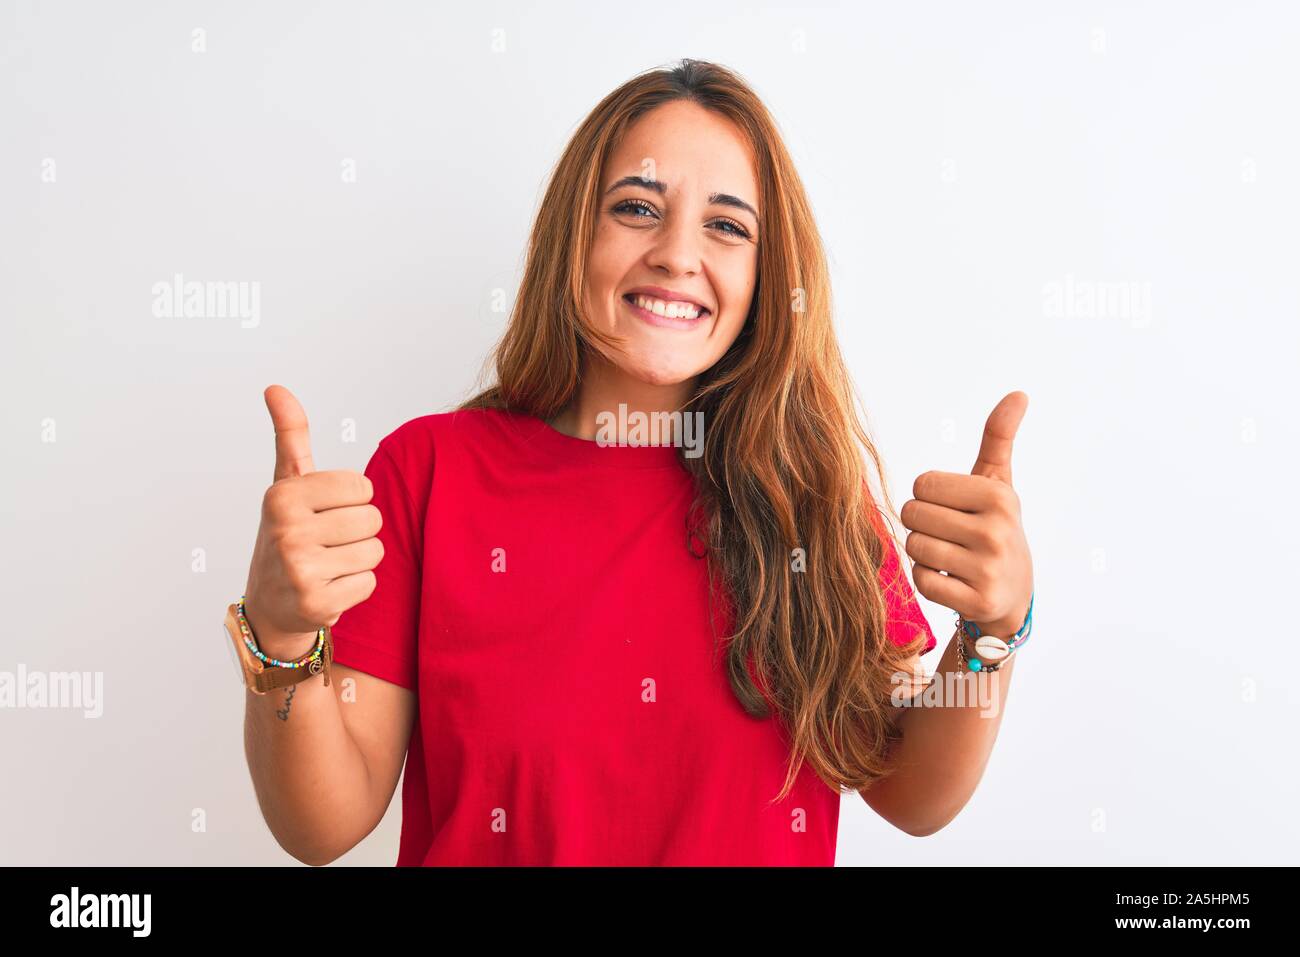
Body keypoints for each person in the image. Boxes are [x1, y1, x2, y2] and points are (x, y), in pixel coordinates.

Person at [237, 59, 1035, 866]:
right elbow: (322, 824)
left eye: (727, 226)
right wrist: (281, 635)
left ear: (767, 277)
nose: (677, 254)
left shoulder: (813, 495)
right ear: (573, 235)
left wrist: (990, 631)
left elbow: (911, 792)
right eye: (636, 208)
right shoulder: (429, 472)